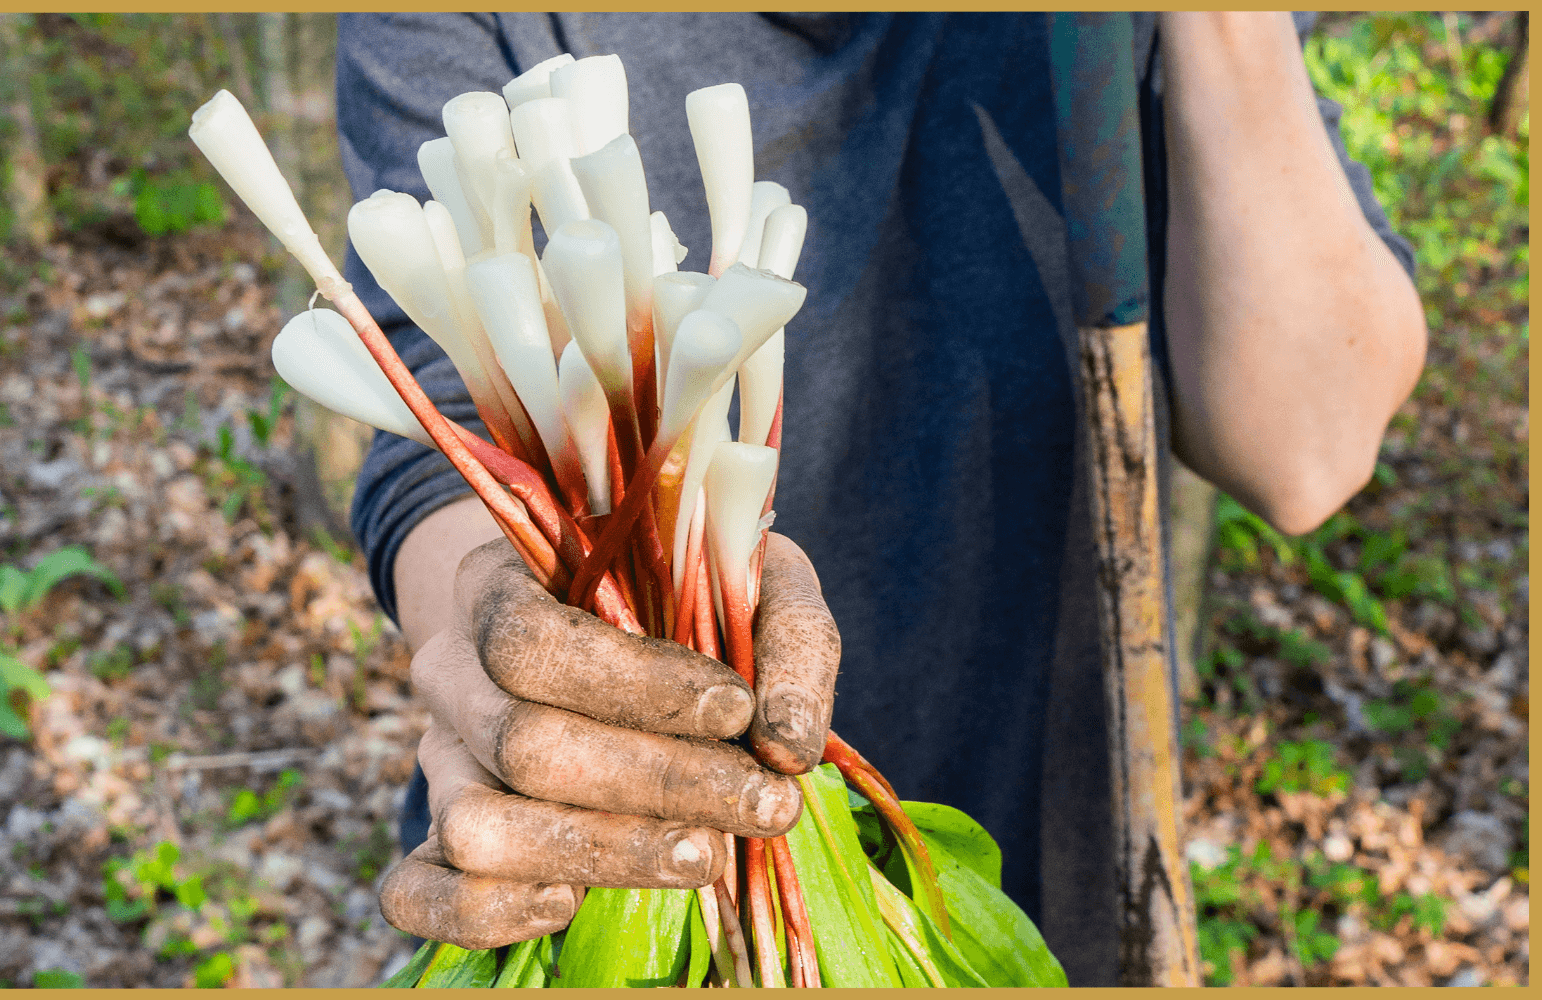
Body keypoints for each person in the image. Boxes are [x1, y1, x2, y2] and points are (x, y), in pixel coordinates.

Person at [330, 11, 1424, 984]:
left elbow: (1310, 450)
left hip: (1029, 889)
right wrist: (496, 629)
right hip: (596, 883)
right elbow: (442, 427)